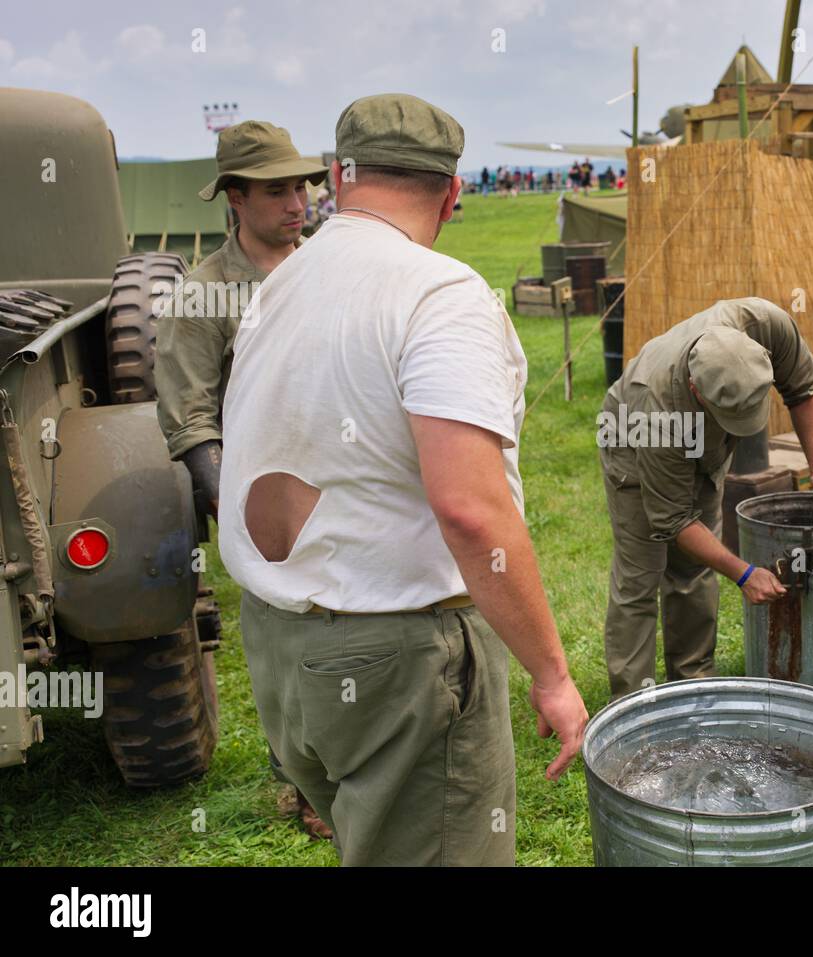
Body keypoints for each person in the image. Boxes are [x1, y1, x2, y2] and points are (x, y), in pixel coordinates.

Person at [218, 93, 588, 866]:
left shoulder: (278, 284)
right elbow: (471, 511)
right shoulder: (438, 295)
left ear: (335, 177)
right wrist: (552, 673)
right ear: (453, 195)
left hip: (284, 646)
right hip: (394, 657)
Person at [154, 120, 331, 840]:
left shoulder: (328, 265)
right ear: (234, 196)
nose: (297, 202)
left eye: (303, 186)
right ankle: (305, 781)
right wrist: (238, 515)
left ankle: (347, 763)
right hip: (262, 490)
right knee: (288, 644)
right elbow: (191, 417)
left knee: (350, 632)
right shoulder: (204, 296)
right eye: (276, 189)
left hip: (342, 472)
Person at [599, 298, 813, 700]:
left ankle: (692, 681)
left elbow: (804, 390)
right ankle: (633, 704)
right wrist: (743, 572)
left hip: (703, 442)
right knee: (640, 574)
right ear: (696, 389)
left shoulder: (766, 324)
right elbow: (672, 521)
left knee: (694, 568)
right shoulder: (656, 408)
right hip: (630, 436)